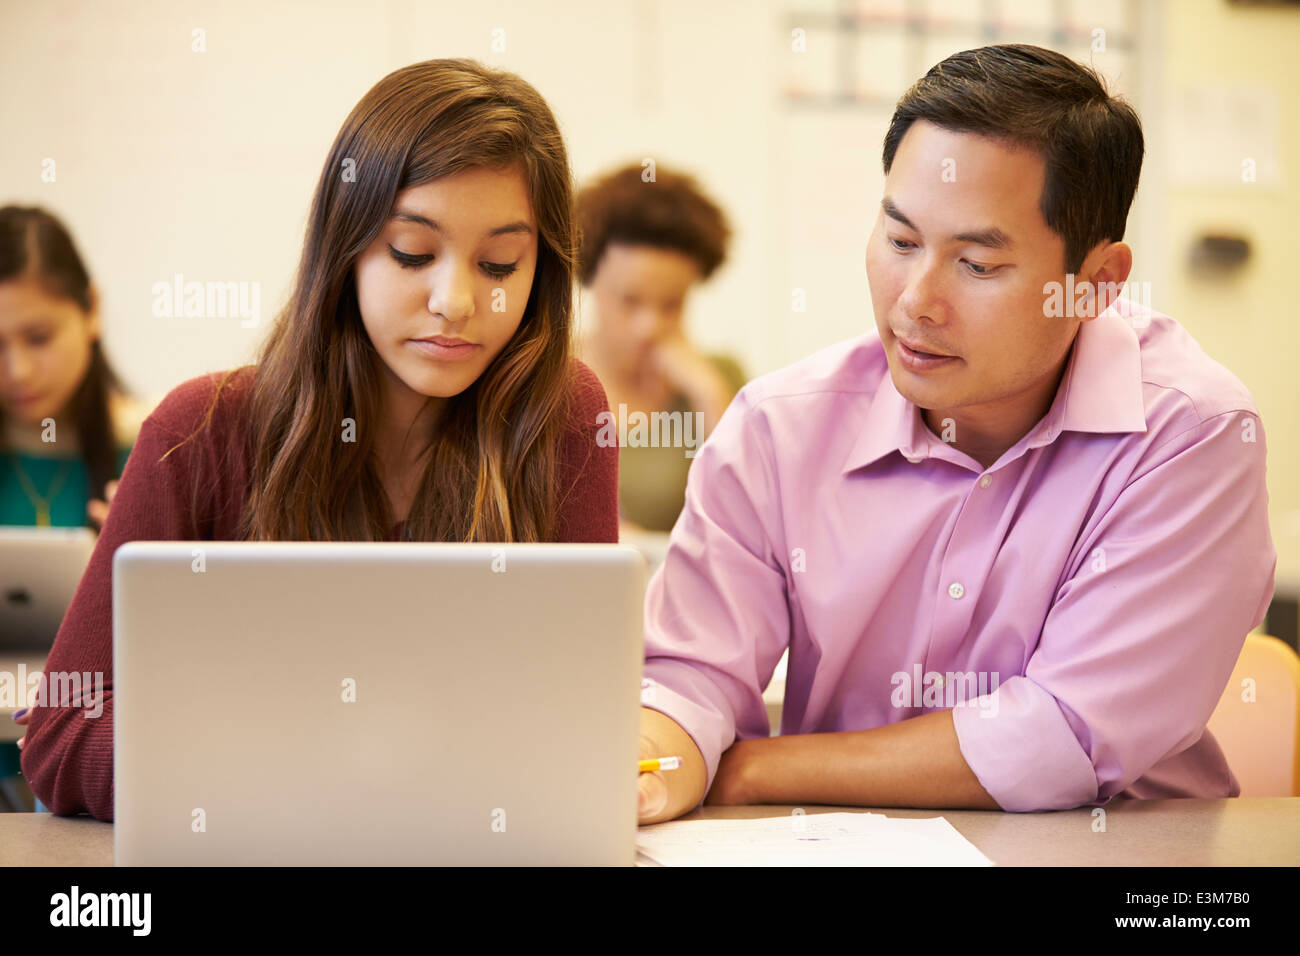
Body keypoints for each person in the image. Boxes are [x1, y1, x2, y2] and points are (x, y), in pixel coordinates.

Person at [636, 44, 1276, 823]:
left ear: (1098, 282)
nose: (915, 302)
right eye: (901, 242)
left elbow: (1063, 734)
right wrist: (659, 760)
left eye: (975, 264)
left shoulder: (1190, 436)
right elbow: (687, 674)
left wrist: (756, 770)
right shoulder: (779, 430)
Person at [18, 58, 618, 821]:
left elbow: (581, 724)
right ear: (345, 248)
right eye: (411, 252)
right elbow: (61, 737)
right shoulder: (201, 430)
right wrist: (288, 757)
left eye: (500, 263)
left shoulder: (564, 415)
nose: (456, 302)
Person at [0, 206, 145, 812]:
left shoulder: (158, 450)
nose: (18, 371)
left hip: (95, 780)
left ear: (91, 310)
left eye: (38, 338)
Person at [575, 164, 747, 534]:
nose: (649, 326)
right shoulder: (545, 376)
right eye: (629, 301)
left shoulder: (721, 379)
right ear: (590, 282)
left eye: (671, 304)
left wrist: (708, 394)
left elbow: (752, 517)